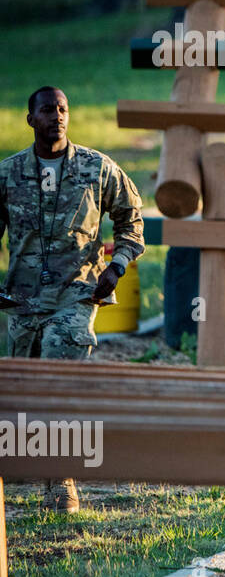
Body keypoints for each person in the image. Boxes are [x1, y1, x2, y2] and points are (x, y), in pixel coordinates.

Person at [0, 87, 145, 512]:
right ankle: (28, 463)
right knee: (24, 394)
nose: (57, 116)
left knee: (59, 373)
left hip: (77, 294)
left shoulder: (96, 168)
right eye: (47, 110)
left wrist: (116, 266)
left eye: (63, 109)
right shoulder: (8, 175)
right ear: (30, 119)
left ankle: (60, 480)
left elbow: (131, 217)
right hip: (22, 300)